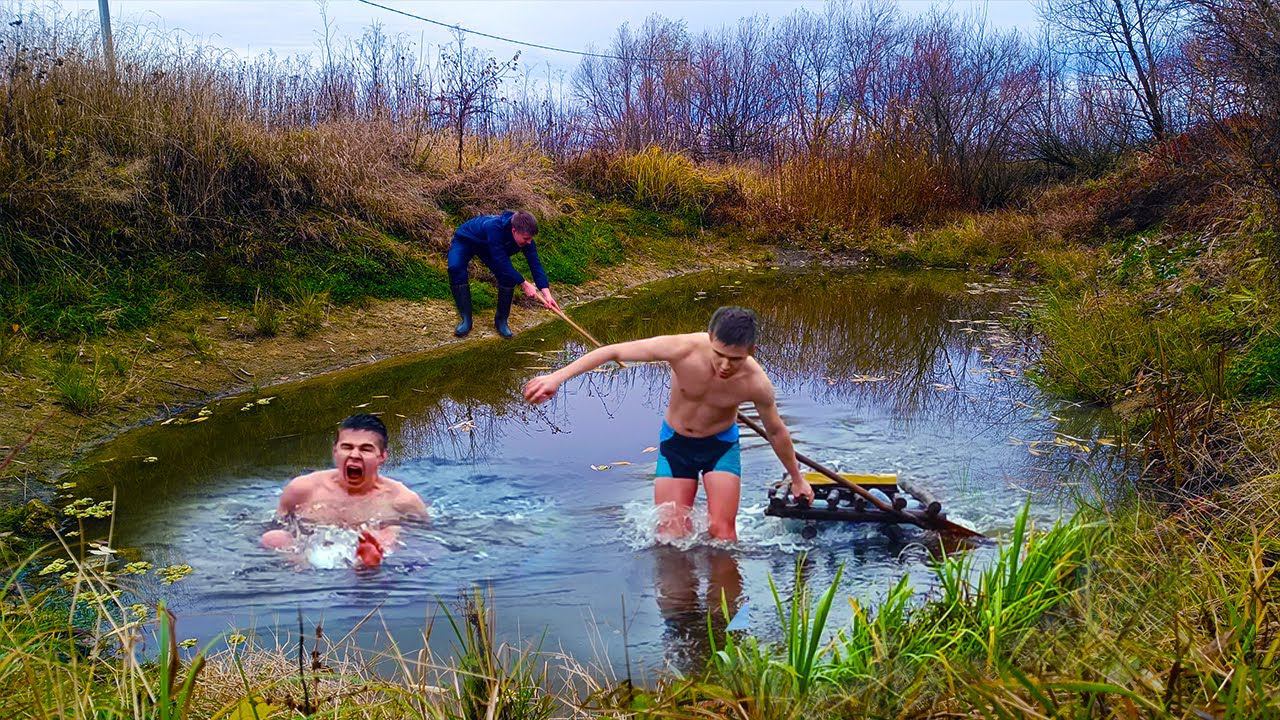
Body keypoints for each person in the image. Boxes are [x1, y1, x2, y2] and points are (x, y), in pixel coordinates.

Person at [522, 306, 814, 542]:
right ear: (710, 338)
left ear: (751, 351)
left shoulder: (757, 383)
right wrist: (556, 377)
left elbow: (775, 431)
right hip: (677, 445)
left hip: (720, 446)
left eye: (735, 359)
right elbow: (612, 352)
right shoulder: (682, 349)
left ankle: (724, 598)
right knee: (671, 535)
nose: (725, 366)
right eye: (719, 355)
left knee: (723, 535)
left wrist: (797, 479)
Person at [260, 414, 428, 567]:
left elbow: (427, 542)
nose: (354, 455)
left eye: (365, 449)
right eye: (347, 447)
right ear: (335, 451)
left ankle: (369, 564)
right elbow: (275, 523)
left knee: (390, 533)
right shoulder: (303, 489)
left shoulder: (402, 501)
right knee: (274, 537)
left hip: (376, 561)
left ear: (382, 456)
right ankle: (303, 571)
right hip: (308, 555)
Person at [448, 210, 560, 339]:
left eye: (531, 238)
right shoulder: (494, 227)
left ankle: (501, 321)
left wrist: (546, 293)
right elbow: (501, 260)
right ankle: (466, 320)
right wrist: (524, 283)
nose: (529, 242)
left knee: (508, 277)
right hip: (467, 240)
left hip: (489, 247)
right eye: (526, 238)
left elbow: (535, 264)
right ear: (514, 231)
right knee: (455, 268)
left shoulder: (526, 238)